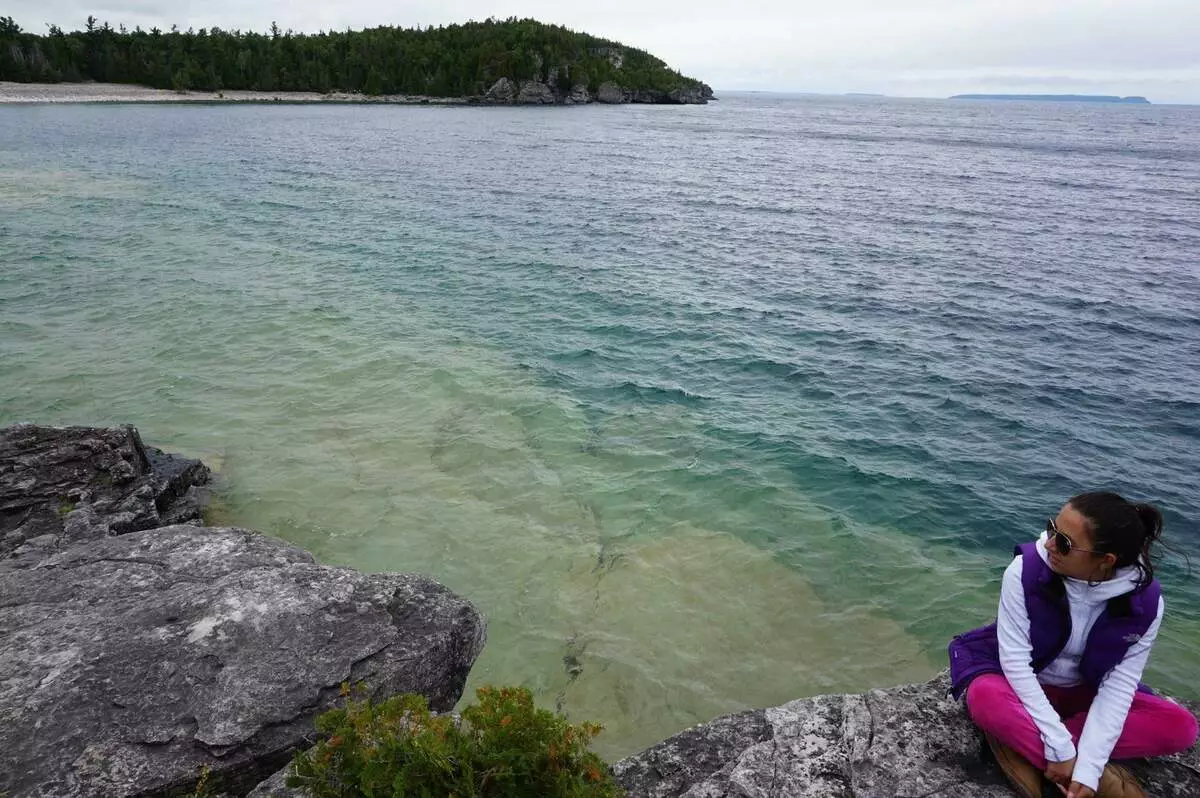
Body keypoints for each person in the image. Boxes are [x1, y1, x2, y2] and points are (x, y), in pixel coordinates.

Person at [948, 492, 1198, 798]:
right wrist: (1061, 746)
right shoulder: (1024, 571)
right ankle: (1074, 768)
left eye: (1064, 542)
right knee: (985, 698)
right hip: (1017, 683)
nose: (1050, 543)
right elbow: (1015, 663)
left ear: (1106, 561)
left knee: (1180, 727)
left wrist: (1088, 766)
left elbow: (1118, 687)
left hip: (1083, 691)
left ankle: (1027, 749)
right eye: (1052, 528)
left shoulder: (1146, 604)